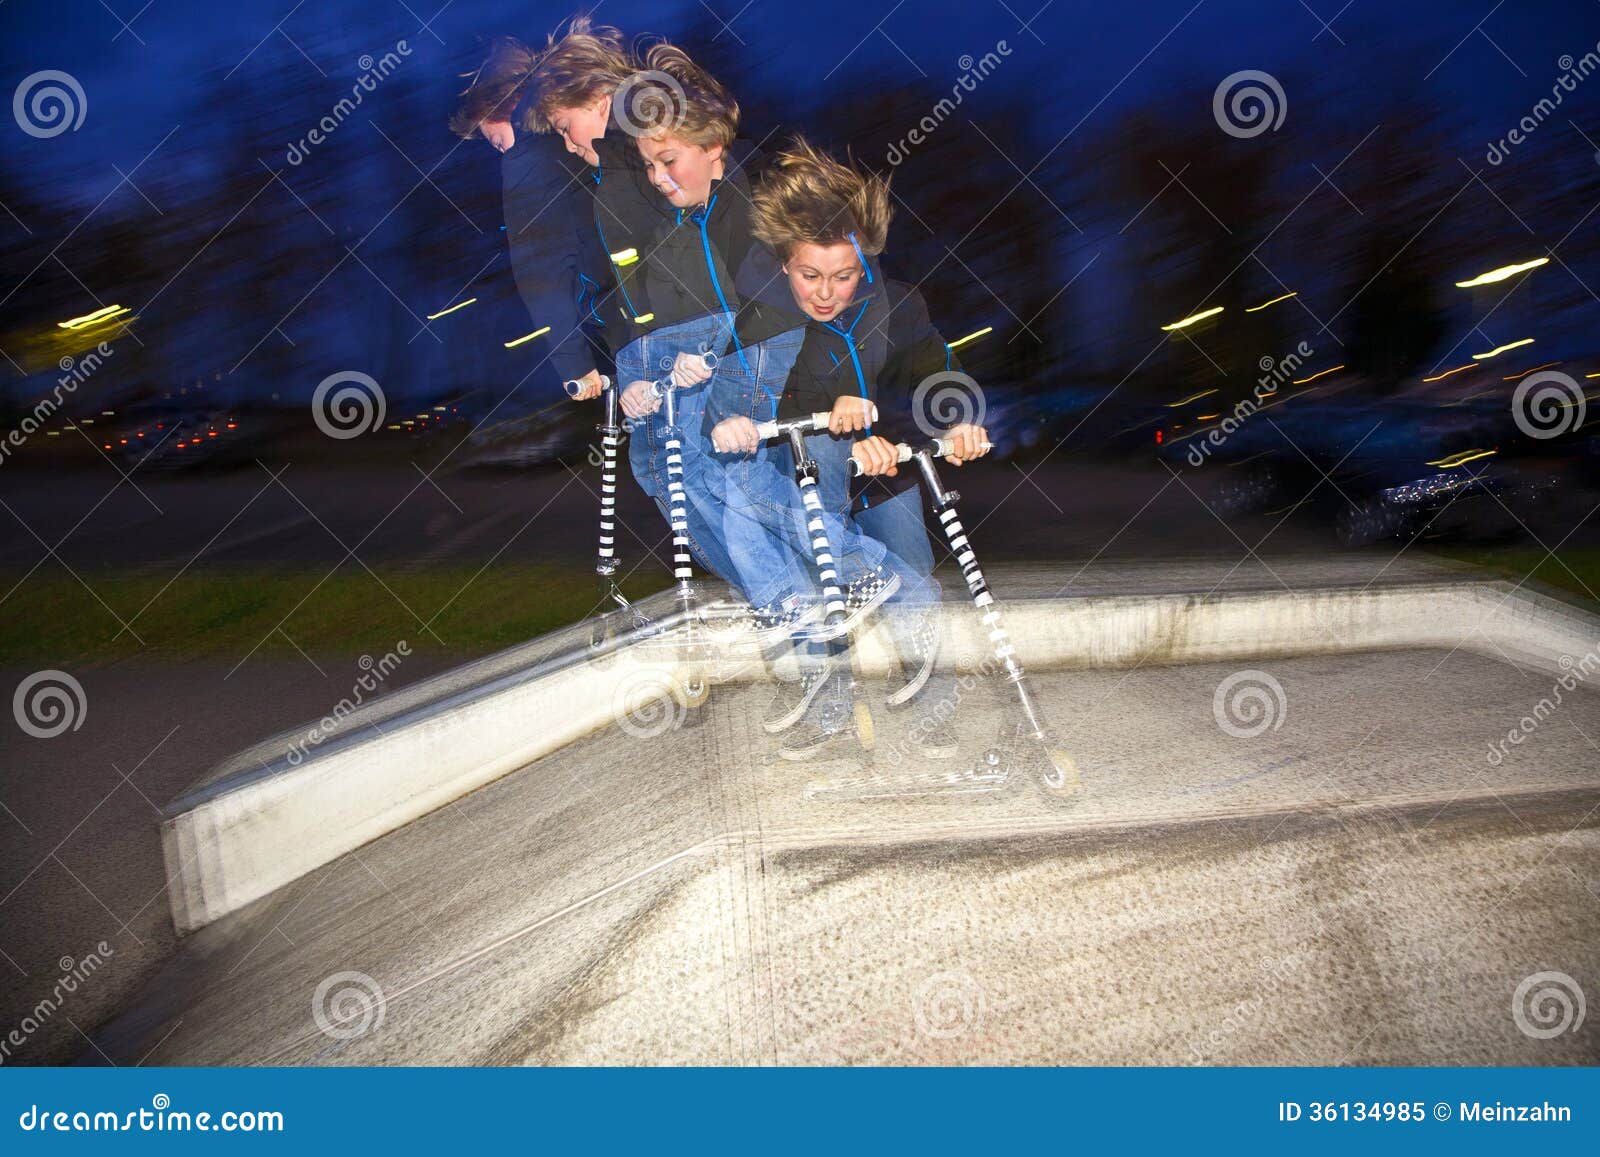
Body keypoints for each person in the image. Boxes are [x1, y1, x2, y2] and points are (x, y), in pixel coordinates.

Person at [709, 139, 990, 760]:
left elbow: (938, 373)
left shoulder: (898, 305)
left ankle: (933, 707)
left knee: (910, 580)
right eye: (810, 275)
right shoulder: (765, 320)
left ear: (862, 264)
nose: (826, 292)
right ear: (785, 264)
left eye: (842, 275)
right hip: (812, 473)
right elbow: (746, 403)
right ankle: (830, 708)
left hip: (887, 472)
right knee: (821, 582)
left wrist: (962, 421)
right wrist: (808, 414)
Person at [448, 37, 606, 398]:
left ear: (497, 109)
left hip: (630, 326)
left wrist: (574, 364)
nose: (501, 152)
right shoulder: (579, 136)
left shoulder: (526, 160)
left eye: (496, 142)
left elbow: (540, 269)